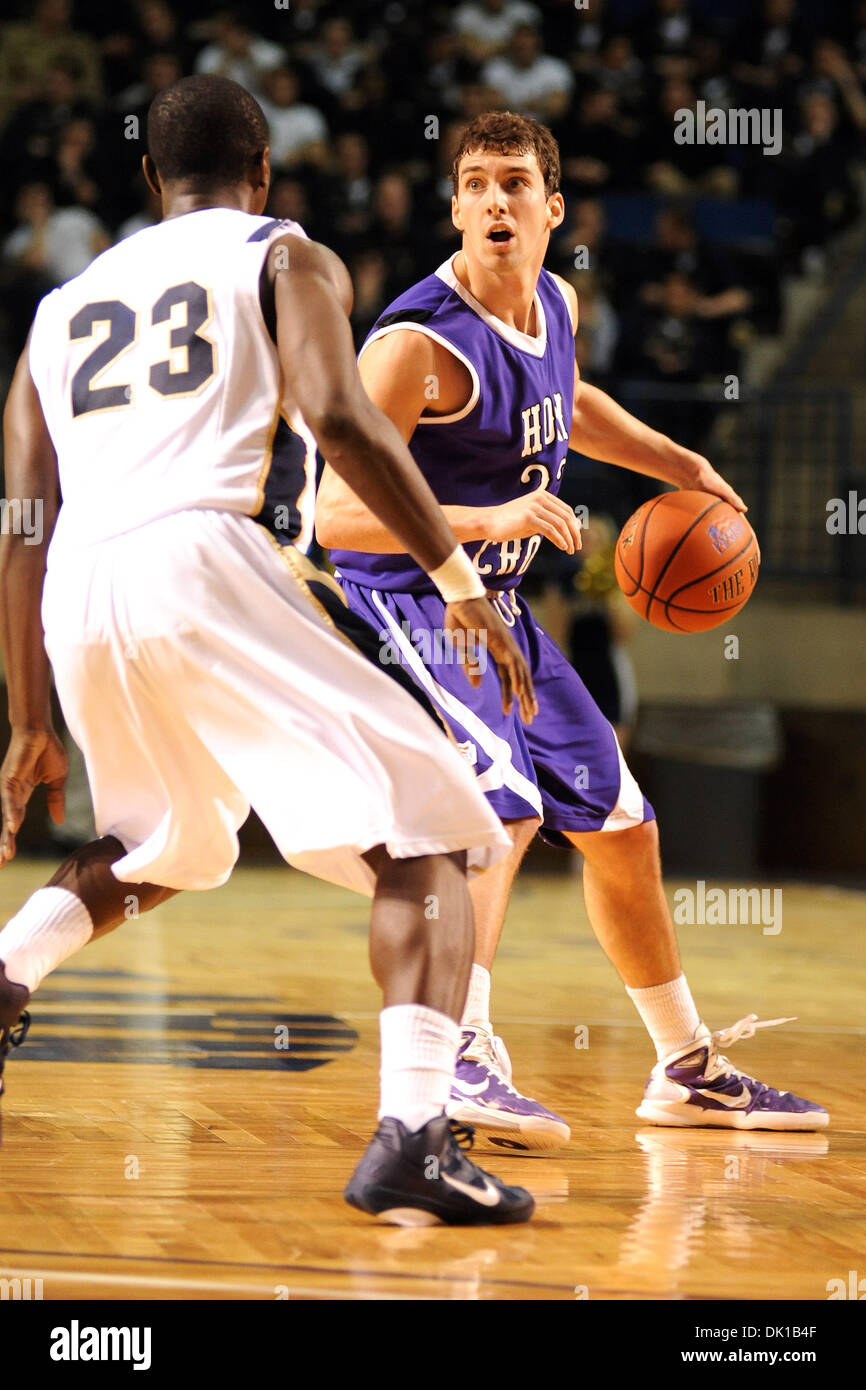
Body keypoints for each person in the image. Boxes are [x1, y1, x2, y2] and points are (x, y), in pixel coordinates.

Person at [0, 75, 542, 1227]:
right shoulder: (284, 253)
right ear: (262, 174)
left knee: (166, 845)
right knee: (439, 833)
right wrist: (457, 576)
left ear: (150, 181)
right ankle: (412, 1134)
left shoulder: (56, 312)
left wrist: (30, 720)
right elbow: (339, 416)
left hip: (82, 587)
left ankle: (2, 976)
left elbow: (20, 530)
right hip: (206, 556)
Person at [316, 110, 828, 1145]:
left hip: (491, 603)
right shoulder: (416, 344)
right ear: (454, 207)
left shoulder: (554, 300)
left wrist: (675, 464)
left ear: (553, 209)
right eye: (475, 183)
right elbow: (332, 514)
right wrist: (489, 518)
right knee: (494, 809)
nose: (494, 199)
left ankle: (684, 1064)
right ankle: (458, 1050)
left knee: (621, 824)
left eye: (513, 181)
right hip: (401, 598)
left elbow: (567, 399)